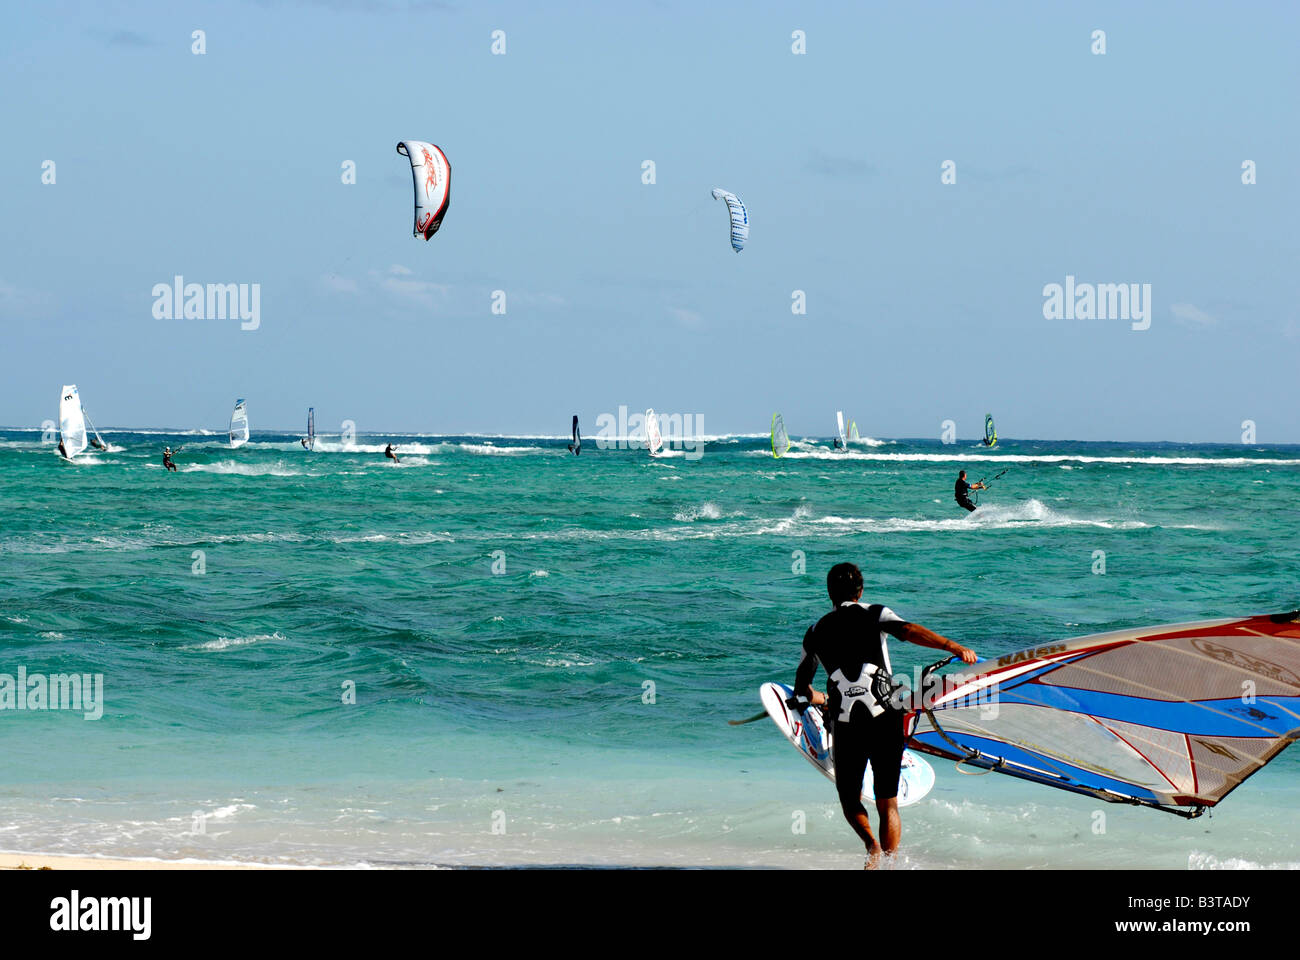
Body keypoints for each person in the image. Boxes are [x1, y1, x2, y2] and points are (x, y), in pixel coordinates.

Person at [791, 562, 976, 868]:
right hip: (885, 719)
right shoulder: (876, 613)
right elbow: (909, 631)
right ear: (860, 590)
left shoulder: (814, 632)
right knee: (886, 801)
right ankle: (890, 863)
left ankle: (871, 848)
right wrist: (953, 647)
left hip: (847, 725)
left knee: (849, 798)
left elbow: (802, 687)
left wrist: (819, 699)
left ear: (829, 594)